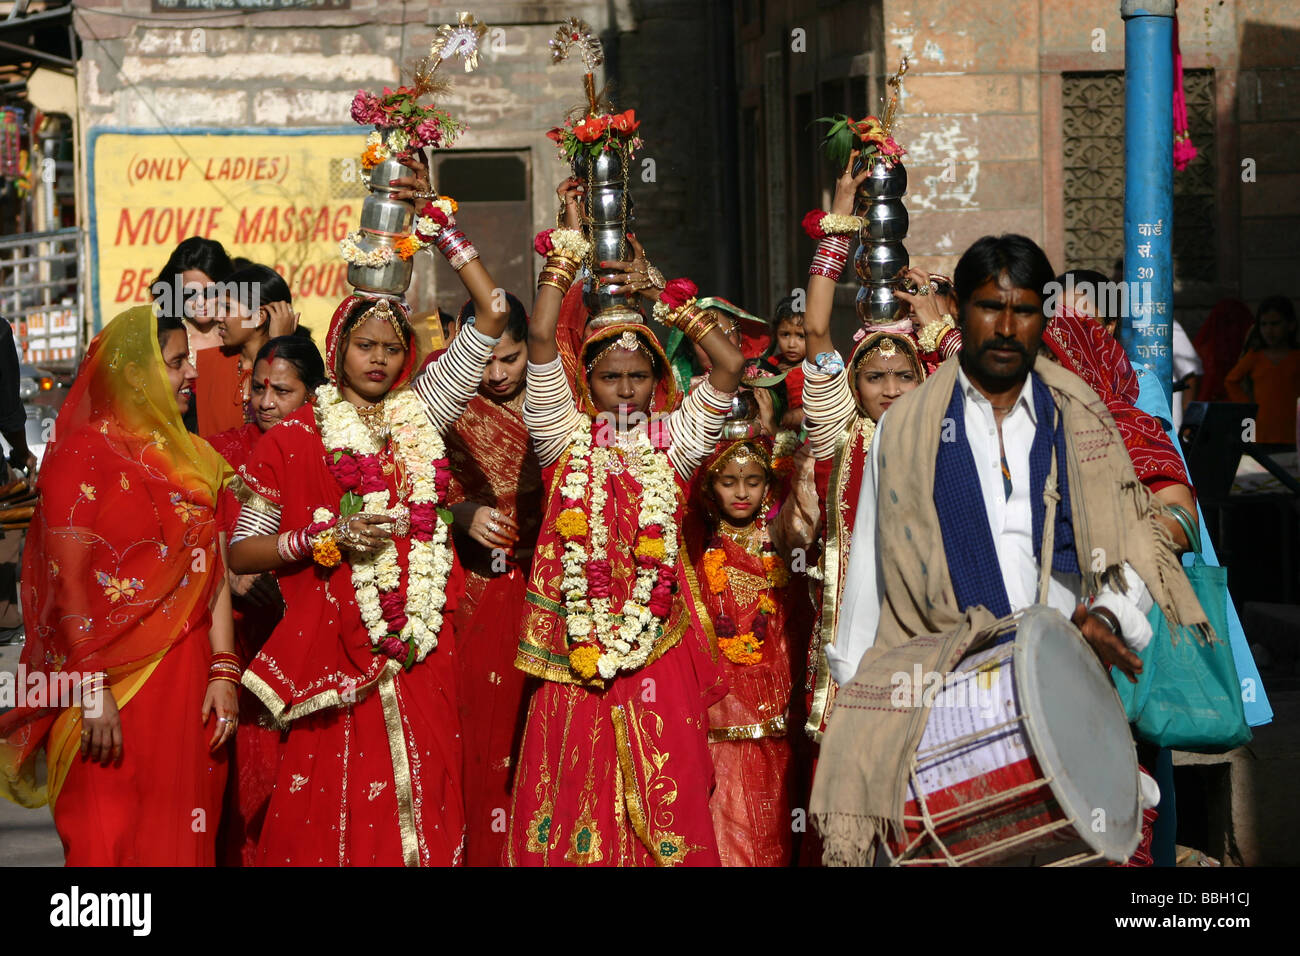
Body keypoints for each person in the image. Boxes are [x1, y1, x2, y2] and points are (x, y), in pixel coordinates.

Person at [811, 234, 1212, 864]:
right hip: (942, 702)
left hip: (1066, 689)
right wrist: (863, 709)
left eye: (1023, 310)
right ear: (959, 311)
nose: (1004, 326)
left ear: (1042, 319)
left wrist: (1107, 616)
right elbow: (871, 571)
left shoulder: (1082, 418)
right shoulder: (907, 422)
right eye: (987, 307)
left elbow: (1132, 545)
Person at [227, 211, 510, 866]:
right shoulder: (296, 438)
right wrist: (321, 538)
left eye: (390, 347)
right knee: (335, 814)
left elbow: (491, 315)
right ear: (337, 351)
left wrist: (446, 229)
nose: (379, 359)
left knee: (430, 800)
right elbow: (242, 552)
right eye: (365, 346)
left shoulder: (423, 412)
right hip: (336, 653)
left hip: (421, 651)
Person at [504, 195, 745, 866]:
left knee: (669, 793)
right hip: (571, 649)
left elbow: (727, 367)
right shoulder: (563, 438)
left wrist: (662, 294)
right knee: (572, 792)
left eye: (639, 376)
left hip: (658, 640)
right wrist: (566, 255)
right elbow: (543, 342)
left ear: (658, 378)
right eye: (610, 377)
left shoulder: (675, 443)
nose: (626, 390)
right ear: (590, 383)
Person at [0, 307, 238, 865]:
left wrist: (225, 670)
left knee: (183, 839)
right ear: (136, 374)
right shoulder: (80, 456)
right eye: (176, 363)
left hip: (188, 683)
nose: (190, 376)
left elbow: (215, 571)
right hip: (106, 687)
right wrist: (90, 687)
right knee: (103, 842)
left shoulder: (198, 459)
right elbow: (66, 584)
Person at [781, 157, 927, 737]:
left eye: (903, 376)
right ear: (853, 384)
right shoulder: (842, 427)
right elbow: (817, 330)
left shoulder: (941, 429)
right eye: (875, 377)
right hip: (854, 615)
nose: (890, 389)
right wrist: (839, 221)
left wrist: (938, 324)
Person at [208, 332, 326, 866]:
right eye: (258, 389)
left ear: (315, 394)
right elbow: (203, 546)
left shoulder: (334, 454)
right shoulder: (219, 455)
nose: (266, 402)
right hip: (243, 644)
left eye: (282, 391)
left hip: (316, 646)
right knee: (248, 792)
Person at [438, 292, 545, 867]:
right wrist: (462, 514)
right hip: (478, 588)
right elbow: (413, 488)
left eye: (511, 358)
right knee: (482, 730)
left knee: (542, 730)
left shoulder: (557, 398)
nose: (497, 374)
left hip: (553, 586)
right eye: (484, 359)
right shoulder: (447, 404)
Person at [684, 435, 800, 866]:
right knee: (726, 810)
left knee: (774, 807)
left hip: (775, 697)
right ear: (710, 488)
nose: (741, 492)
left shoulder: (780, 543)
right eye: (729, 482)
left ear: (768, 486)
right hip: (721, 702)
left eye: (752, 481)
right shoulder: (699, 548)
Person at [197, 263, 299, 437]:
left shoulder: (298, 368)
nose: (217, 317)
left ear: (258, 317)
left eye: (227, 308)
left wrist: (280, 344)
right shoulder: (207, 363)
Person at [1225, 295, 1300, 445]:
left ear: (1291, 325)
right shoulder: (1254, 356)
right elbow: (1231, 381)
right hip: (1260, 433)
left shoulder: (1296, 356)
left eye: (1275, 324)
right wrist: (1248, 406)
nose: (1269, 330)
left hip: (1293, 432)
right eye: (1263, 324)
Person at [1193, 298, 1254, 402]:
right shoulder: (1206, 349)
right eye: (1227, 322)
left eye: (1235, 323)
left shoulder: (1253, 352)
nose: (1232, 330)